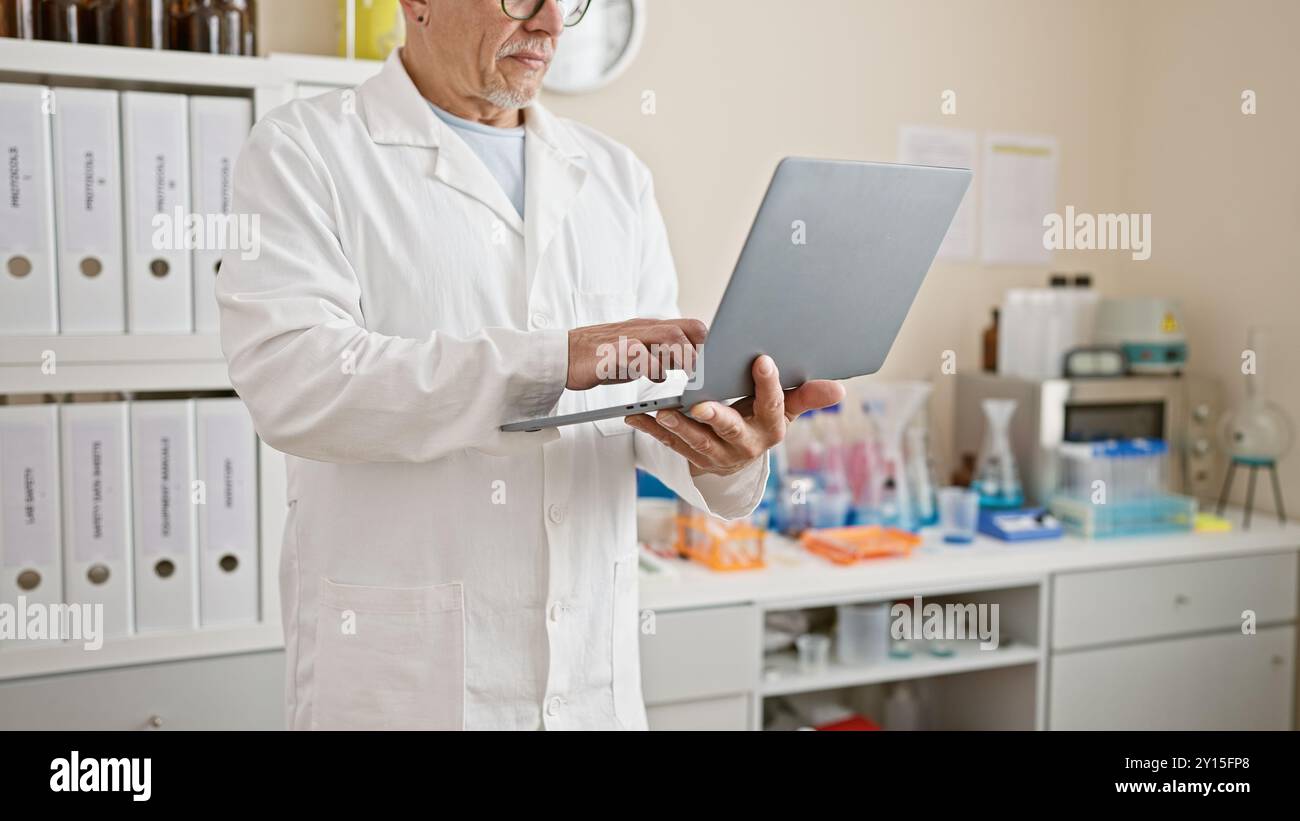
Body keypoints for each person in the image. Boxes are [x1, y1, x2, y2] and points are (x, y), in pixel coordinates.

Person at [216, 0, 843, 730]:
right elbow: (296, 383)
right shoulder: (305, 151)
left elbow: (647, 414)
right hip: (406, 686)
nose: (551, 23)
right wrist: (554, 361)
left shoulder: (616, 178)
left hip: (589, 686)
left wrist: (725, 447)